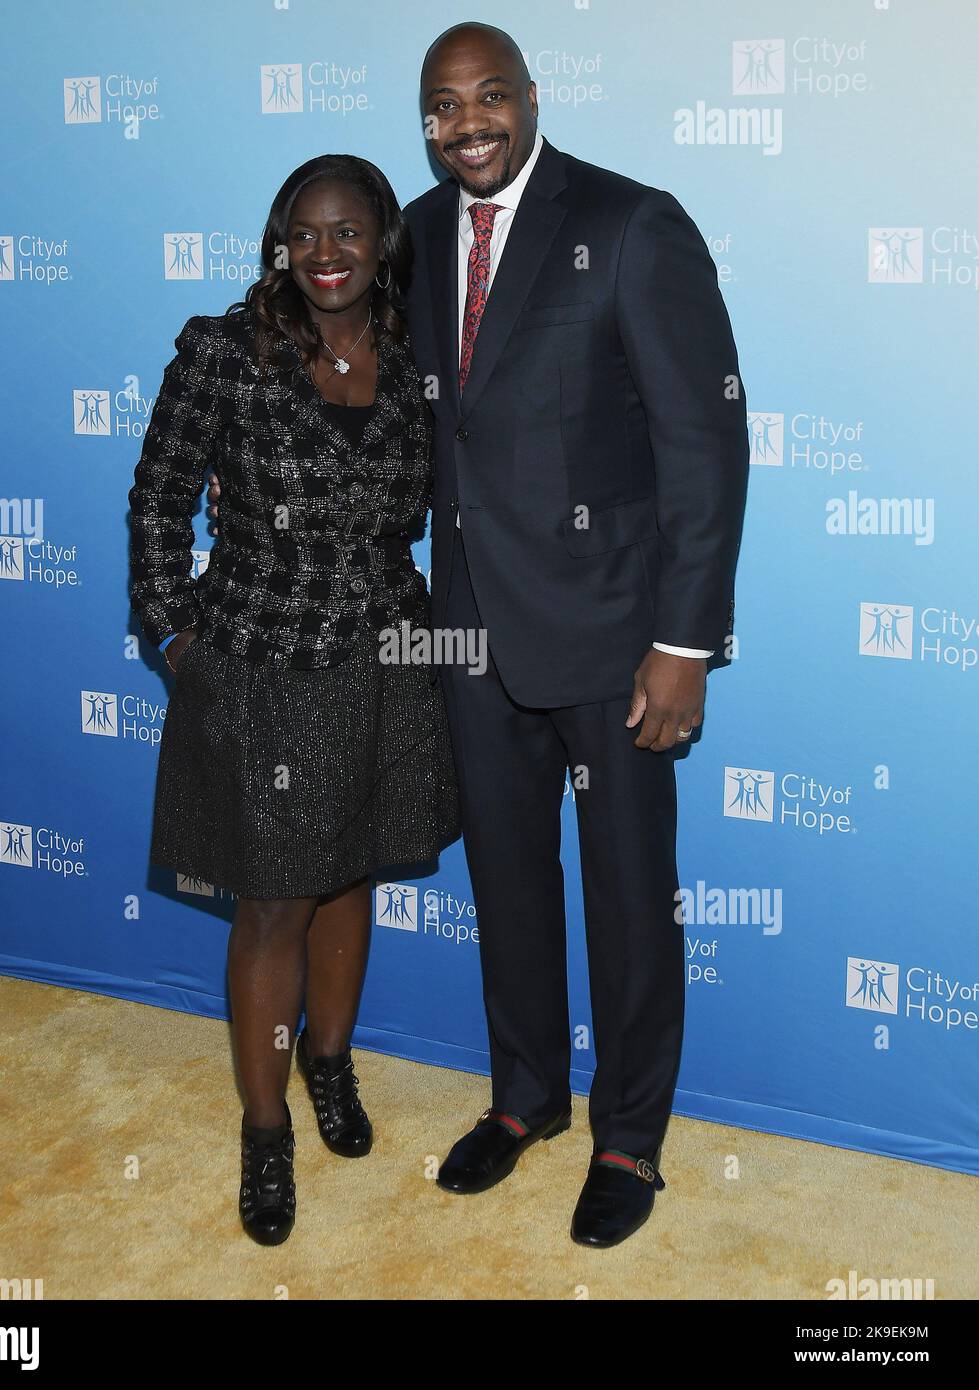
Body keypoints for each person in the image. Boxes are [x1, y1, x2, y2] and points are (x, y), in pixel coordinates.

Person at [209, 22, 750, 1249]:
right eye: (441, 106)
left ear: (529, 99)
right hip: (459, 641)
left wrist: (683, 642)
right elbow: (345, 374)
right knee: (504, 883)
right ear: (425, 122)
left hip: (614, 639)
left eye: (487, 97)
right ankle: (524, 1100)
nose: (467, 123)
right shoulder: (405, 234)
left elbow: (702, 445)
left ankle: (627, 1139)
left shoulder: (628, 223)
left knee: (624, 895)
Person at [127, 154, 460, 1246]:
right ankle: (264, 1130)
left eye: (348, 232)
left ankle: (328, 1062)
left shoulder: (414, 359)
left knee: (348, 866)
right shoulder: (224, 351)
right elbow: (160, 495)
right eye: (305, 234)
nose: (326, 253)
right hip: (262, 660)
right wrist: (173, 630)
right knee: (272, 897)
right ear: (280, 243)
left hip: (379, 656)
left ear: (380, 243)